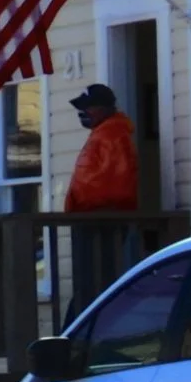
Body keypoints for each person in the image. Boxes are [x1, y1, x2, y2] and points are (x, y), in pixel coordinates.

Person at [65, 83, 141, 316]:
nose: (83, 113)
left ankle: (80, 332)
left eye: (88, 108)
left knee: (95, 283)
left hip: (101, 222)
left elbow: (113, 185)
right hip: (92, 221)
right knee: (89, 284)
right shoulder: (104, 133)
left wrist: (86, 207)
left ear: (104, 108)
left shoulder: (112, 135)